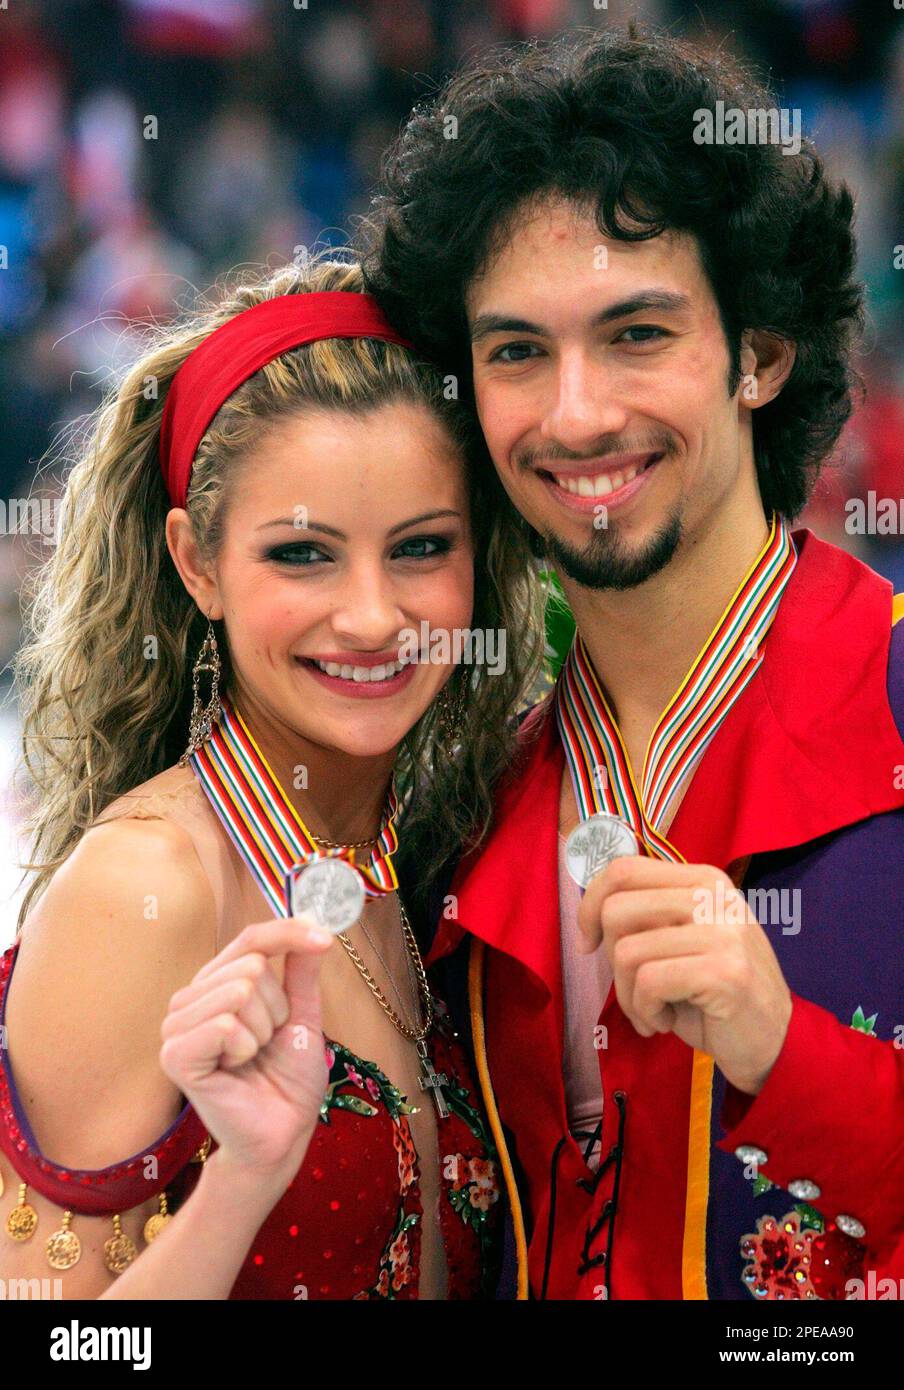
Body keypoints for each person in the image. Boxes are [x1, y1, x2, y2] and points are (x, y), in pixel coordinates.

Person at [364, 25, 904, 1299]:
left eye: (636, 334)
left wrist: (790, 1054)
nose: (575, 413)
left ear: (759, 354)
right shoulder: (457, 792)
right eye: (514, 353)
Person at [0, 256, 546, 1299]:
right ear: (197, 563)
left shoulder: (426, 860)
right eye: (304, 555)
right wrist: (240, 1182)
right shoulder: (146, 892)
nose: (374, 616)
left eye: (422, 546)